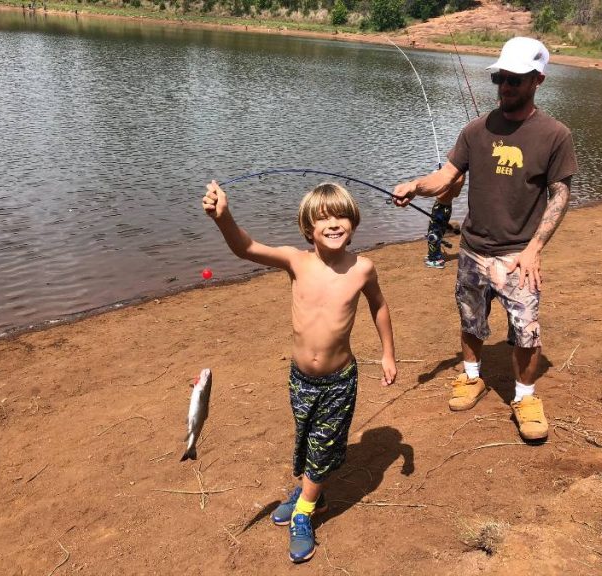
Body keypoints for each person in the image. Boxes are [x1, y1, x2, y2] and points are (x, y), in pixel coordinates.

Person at [202, 180, 397, 563]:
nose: (334, 224)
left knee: (323, 445)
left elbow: (379, 306)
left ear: (354, 222)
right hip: (300, 380)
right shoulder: (296, 261)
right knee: (309, 441)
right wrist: (223, 218)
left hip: (339, 381)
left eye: (341, 216)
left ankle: (304, 511)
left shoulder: (362, 269)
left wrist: (388, 353)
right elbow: (245, 248)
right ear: (309, 228)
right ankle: (314, 494)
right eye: (323, 218)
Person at [393, 37, 577, 442]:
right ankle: (472, 376)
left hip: (518, 255)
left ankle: (525, 397)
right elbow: (446, 176)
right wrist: (415, 187)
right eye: (500, 78)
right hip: (473, 249)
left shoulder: (555, 135)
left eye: (515, 80)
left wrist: (534, 249)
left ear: (538, 80)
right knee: (470, 318)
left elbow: (560, 195)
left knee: (526, 330)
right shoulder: (476, 130)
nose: (505, 86)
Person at [424, 175, 465, 268]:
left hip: (441, 208)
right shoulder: (460, 175)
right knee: (437, 232)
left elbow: (439, 193)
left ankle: (436, 259)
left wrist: (437, 182)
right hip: (445, 207)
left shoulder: (455, 176)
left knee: (434, 234)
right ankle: (433, 254)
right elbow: (456, 193)